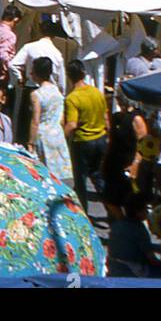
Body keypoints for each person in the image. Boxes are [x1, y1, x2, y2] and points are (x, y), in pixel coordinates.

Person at [63, 59, 107, 211]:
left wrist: (63, 138)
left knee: (80, 181)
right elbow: (106, 117)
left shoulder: (72, 98)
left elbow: (72, 124)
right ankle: (111, 209)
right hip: (100, 138)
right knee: (98, 176)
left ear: (68, 76)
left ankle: (83, 213)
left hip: (83, 142)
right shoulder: (97, 93)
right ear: (83, 73)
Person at [28, 56, 73, 185]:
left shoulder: (36, 94)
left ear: (36, 73)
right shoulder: (57, 92)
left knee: (42, 175)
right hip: (57, 134)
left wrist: (31, 142)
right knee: (58, 176)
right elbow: (61, 117)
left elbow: (35, 120)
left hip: (43, 135)